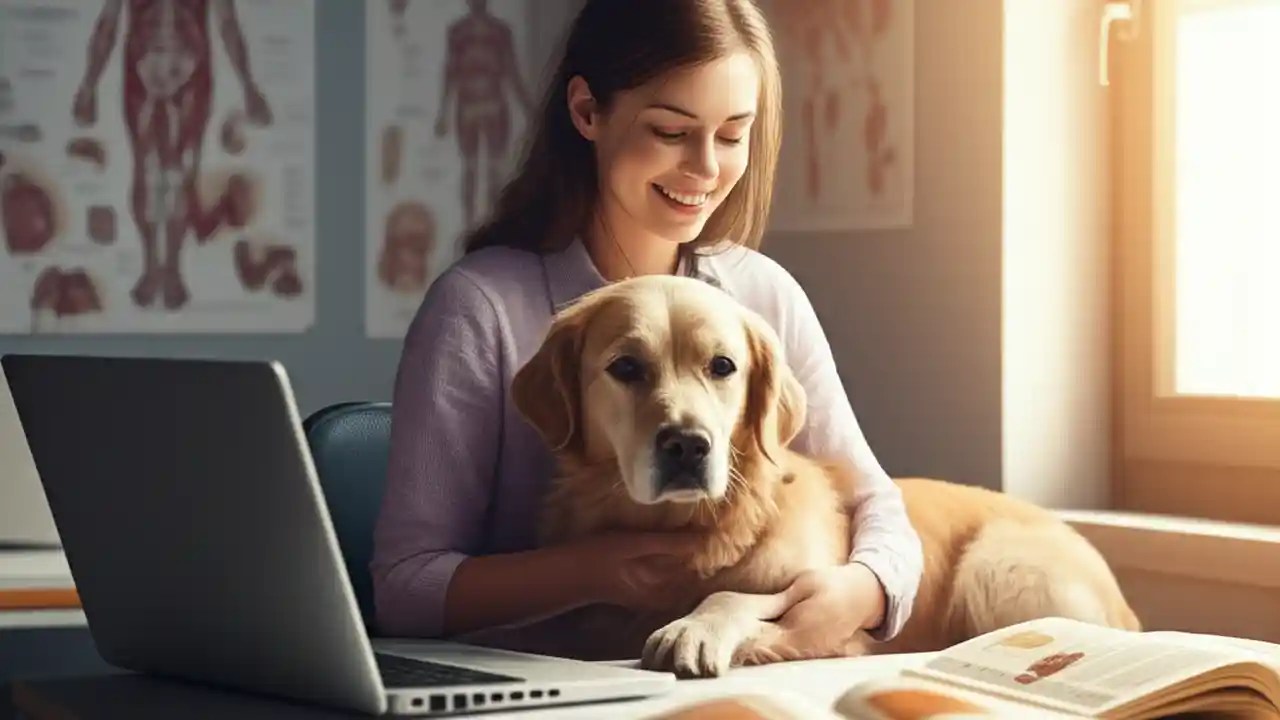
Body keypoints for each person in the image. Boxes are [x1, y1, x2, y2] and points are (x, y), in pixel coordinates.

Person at [372, 0, 923, 660]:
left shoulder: (762, 296)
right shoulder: (480, 308)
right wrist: (597, 572)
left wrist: (859, 593)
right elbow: (404, 588)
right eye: (670, 131)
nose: (706, 168)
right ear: (586, 112)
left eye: (731, 135)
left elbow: (874, 507)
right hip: (547, 681)